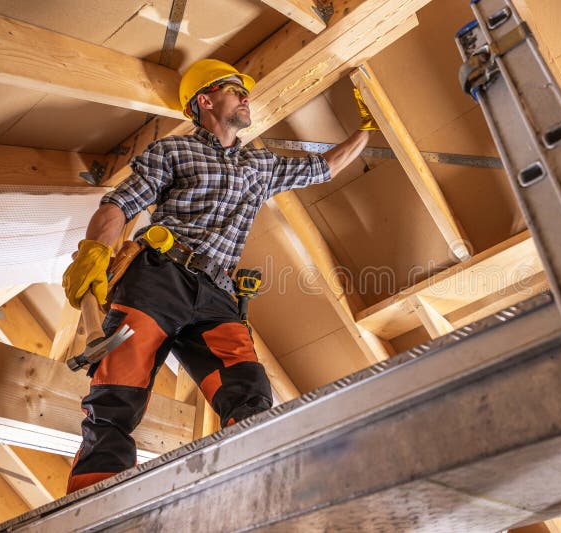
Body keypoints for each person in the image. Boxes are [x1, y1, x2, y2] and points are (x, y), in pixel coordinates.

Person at [61, 58, 379, 493]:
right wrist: (95, 251)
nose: (247, 97)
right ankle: (91, 500)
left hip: (217, 293)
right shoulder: (173, 151)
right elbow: (120, 204)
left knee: (249, 392)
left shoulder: (260, 166)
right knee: (118, 392)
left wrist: (366, 128)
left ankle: (254, 486)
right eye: (235, 89)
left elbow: (327, 167)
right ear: (205, 101)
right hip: (158, 278)